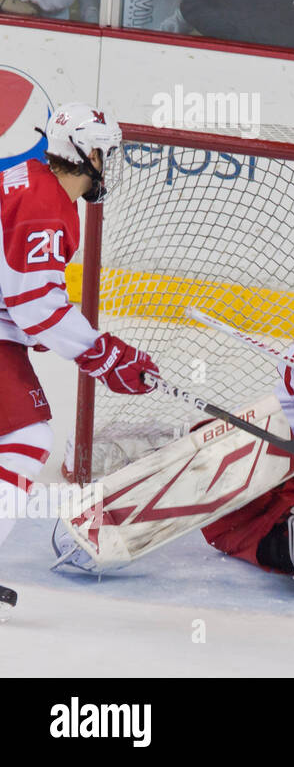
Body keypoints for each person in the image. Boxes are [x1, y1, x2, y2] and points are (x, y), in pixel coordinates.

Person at [53, 301, 294, 610]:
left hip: (287, 508)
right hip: (240, 480)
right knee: (258, 438)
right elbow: (292, 368)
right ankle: (103, 516)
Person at [0, 103, 158, 618]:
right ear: (85, 153)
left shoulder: (32, 182)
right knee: (25, 437)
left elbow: (24, 298)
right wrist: (104, 354)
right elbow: (36, 305)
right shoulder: (47, 205)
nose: (105, 166)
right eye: (103, 155)